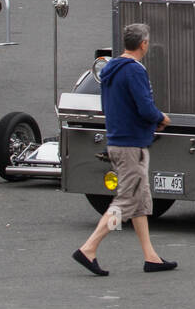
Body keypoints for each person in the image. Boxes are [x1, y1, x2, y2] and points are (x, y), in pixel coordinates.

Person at [73, 23, 176, 275]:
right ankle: (89, 248)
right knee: (127, 200)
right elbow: (144, 106)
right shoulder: (135, 71)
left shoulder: (110, 68)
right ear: (143, 44)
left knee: (138, 202)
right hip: (132, 144)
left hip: (117, 139)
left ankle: (151, 256)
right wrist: (160, 117)